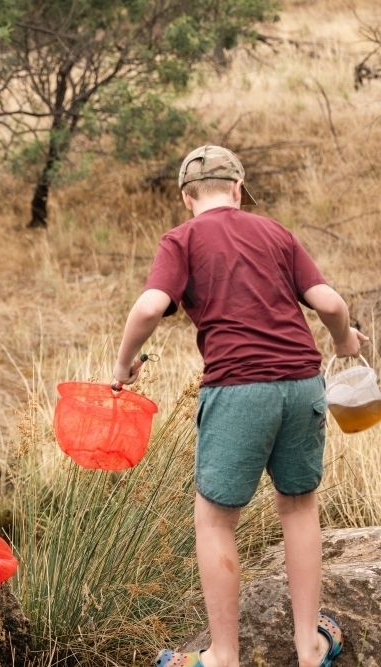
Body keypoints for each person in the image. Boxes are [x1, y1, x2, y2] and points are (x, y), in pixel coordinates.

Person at [113, 146, 363, 667]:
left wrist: (123, 365)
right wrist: (343, 343)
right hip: (302, 383)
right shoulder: (275, 231)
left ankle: (223, 655)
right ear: (237, 187)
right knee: (298, 507)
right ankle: (309, 647)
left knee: (216, 521)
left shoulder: (181, 238)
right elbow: (332, 304)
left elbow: (149, 307)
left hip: (238, 387)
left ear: (186, 197)